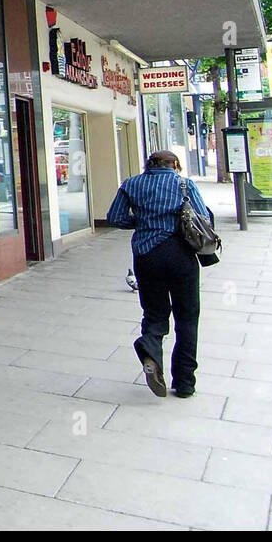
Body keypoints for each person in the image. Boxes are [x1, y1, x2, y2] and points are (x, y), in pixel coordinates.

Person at [105, 150, 213, 398]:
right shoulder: (183, 184)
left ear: (148, 164)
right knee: (187, 317)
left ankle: (150, 346)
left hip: (146, 255)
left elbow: (115, 218)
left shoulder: (131, 183)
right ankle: (185, 383)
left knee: (154, 312)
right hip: (180, 254)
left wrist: (143, 221)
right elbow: (202, 217)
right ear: (175, 165)